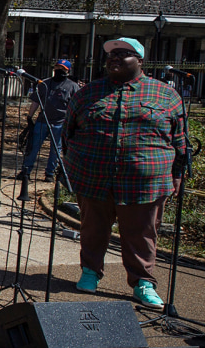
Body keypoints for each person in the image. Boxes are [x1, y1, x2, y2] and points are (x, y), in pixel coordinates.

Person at [64, 37, 188, 310]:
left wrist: (177, 175)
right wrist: (74, 168)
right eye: (111, 54)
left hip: (145, 183)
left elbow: (181, 143)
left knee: (142, 235)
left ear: (140, 60)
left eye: (124, 54)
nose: (115, 58)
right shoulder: (87, 93)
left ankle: (143, 282)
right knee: (92, 229)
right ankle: (90, 272)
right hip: (94, 179)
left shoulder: (165, 95)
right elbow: (68, 134)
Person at [20, 58, 79, 183]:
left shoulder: (73, 86)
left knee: (55, 149)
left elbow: (75, 107)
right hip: (42, 121)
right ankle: (26, 170)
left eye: (62, 69)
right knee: (33, 146)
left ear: (68, 71)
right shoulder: (44, 83)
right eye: (57, 68)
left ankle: (50, 173)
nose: (59, 71)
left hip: (60, 123)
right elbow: (36, 101)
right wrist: (30, 117)